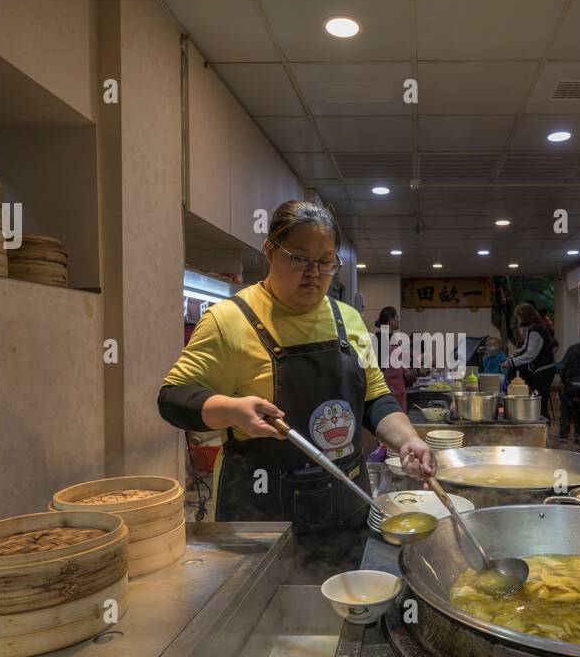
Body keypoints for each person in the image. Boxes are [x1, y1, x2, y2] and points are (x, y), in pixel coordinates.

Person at [157, 200, 433, 530]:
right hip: (262, 511)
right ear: (270, 250)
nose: (313, 272)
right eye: (299, 258)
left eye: (325, 262)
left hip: (346, 503)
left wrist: (406, 440)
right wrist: (231, 409)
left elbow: (375, 400)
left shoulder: (349, 320)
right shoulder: (229, 320)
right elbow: (172, 399)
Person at [503, 303, 558, 409]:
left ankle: (544, 424)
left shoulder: (536, 330)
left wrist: (511, 362)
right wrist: (514, 355)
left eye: (518, 317)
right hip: (541, 371)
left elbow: (530, 354)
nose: (517, 320)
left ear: (524, 316)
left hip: (543, 372)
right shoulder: (532, 328)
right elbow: (525, 347)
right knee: (537, 401)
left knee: (539, 403)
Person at [373, 306, 414, 413]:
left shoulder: (393, 337)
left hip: (399, 391)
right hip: (389, 393)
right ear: (390, 320)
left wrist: (405, 370)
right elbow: (379, 369)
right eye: (397, 317)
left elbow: (397, 359)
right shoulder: (380, 338)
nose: (398, 319)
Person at [558, 323, 580, 441]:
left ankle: (564, 434)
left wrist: (566, 382)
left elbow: (563, 370)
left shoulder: (573, 348)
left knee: (565, 400)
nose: (579, 334)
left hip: (574, 389)